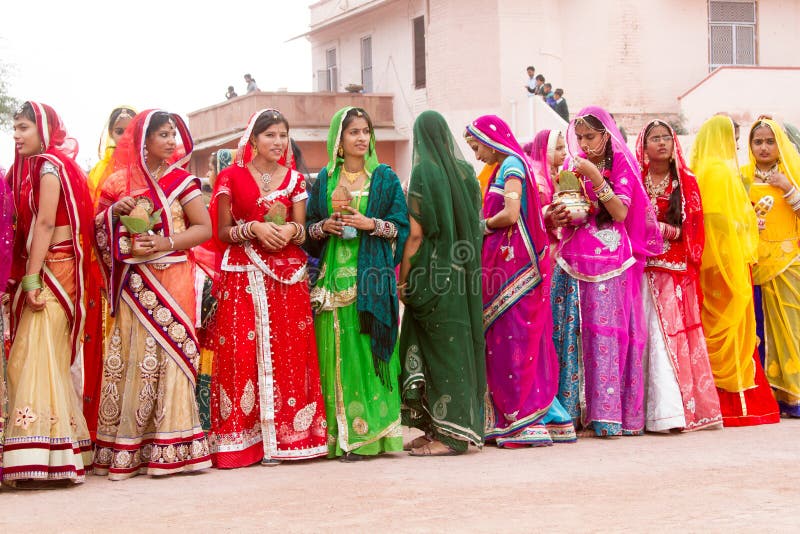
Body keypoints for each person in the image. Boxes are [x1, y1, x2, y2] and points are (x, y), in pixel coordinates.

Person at [93, 110, 213, 479]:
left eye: (173, 135)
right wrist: (114, 212)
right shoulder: (118, 182)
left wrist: (166, 241)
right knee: (134, 358)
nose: (170, 142)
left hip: (174, 277)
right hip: (135, 283)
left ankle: (174, 448)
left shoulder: (183, 182)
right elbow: (97, 230)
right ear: (142, 140)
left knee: (172, 358)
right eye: (162, 134)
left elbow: (204, 229)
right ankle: (130, 449)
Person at [207, 109, 327, 467]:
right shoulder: (230, 177)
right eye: (270, 135)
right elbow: (222, 232)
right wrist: (255, 229)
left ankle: (289, 440)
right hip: (242, 274)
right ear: (254, 139)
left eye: (283, 135)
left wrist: (289, 231)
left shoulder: (294, 180)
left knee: (289, 353)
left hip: (287, 276)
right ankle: (244, 442)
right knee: (241, 354)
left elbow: (302, 228)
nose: (278, 142)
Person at [552, 106, 662, 437]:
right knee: (568, 333)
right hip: (572, 257)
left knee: (606, 334)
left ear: (606, 134)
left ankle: (608, 415)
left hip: (610, 262)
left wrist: (597, 179)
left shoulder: (622, 165)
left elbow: (619, 212)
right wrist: (558, 212)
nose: (584, 143)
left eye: (590, 136)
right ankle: (569, 413)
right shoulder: (573, 164)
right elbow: (570, 205)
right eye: (580, 137)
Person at [306, 106, 409, 460]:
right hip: (332, 283)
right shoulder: (325, 180)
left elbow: (400, 227)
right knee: (334, 352)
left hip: (371, 284)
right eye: (353, 132)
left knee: (366, 354)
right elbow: (309, 230)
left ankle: (372, 437)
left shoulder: (384, 178)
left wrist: (370, 225)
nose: (362, 138)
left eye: (366, 131)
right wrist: (324, 228)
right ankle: (339, 436)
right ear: (339, 139)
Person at [467, 115, 577, 447]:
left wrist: (481, 226)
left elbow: (511, 215)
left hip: (514, 269)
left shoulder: (510, 166)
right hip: (510, 264)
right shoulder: (513, 165)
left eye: (477, 148)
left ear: (490, 140)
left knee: (512, 339)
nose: (476, 155)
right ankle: (545, 417)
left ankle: (520, 419)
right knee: (522, 339)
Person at [4, 101, 95, 486]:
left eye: (23, 127)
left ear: (42, 128)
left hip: (52, 270)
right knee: (42, 356)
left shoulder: (49, 167)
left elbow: (43, 223)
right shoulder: (36, 167)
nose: (16, 134)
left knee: (34, 353)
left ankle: (40, 452)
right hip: (52, 268)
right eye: (14, 127)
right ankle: (61, 449)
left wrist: (29, 279)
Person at [398, 111, 486, 456]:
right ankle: (439, 428)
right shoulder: (466, 173)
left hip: (431, 275)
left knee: (438, 351)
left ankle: (451, 437)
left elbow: (416, 234)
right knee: (454, 345)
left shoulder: (423, 173)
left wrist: (404, 279)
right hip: (464, 273)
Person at [689, 114, 780, 427]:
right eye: (735, 140)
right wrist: (749, 223)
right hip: (726, 263)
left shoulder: (700, 170)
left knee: (714, 326)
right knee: (732, 329)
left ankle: (711, 401)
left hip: (711, 264)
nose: (737, 147)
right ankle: (738, 405)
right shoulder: (720, 173)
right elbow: (720, 221)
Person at [635, 119, 722, 432]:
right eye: (654, 138)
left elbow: (693, 230)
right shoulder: (637, 179)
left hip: (672, 273)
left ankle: (670, 412)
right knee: (643, 335)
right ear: (643, 147)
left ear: (674, 144)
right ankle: (640, 413)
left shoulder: (685, 181)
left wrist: (659, 230)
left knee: (665, 336)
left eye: (666, 138)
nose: (661, 143)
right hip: (641, 269)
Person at [740, 118, 800, 417]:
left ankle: (793, 394)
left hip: (788, 263)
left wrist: (788, 189)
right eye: (757, 142)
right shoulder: (743, 177)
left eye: (769, 141)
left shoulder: (793, 173)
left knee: (790, 329)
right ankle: (766, 394)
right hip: (753, 263)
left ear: (781, 143)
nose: (763, 147)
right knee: (758, 329)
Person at [84, 105, 136, 442]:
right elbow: (88, 225)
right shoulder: (98, 175)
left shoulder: (153, 173)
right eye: (119, 131)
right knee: (103, 344)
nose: (124, 139)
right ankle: (98, 428)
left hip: (148, 268)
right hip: (102, 270)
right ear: (109, 134)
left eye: (131, 132)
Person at [87, 107, 136, 203]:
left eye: (130, 131)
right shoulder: (101, 169)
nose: (125, 136)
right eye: (119, 131)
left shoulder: (150, 164)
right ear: (111, 133)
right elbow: (93, 205)